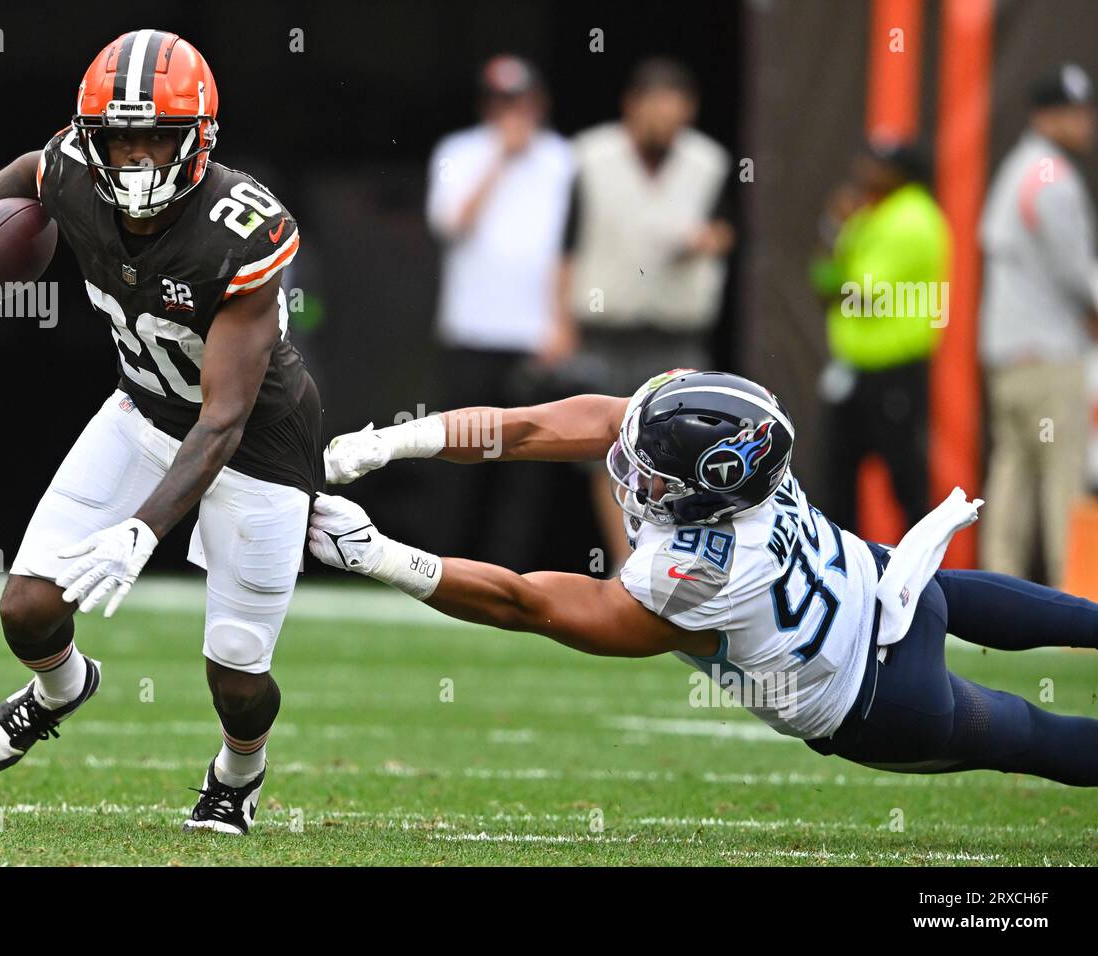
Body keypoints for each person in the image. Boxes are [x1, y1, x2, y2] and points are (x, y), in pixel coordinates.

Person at [316, 369, 1098, 786]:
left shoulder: (695, 572)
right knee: (967, 609)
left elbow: (526, 604)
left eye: (654, 475)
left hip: (879, 698)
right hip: (888, 583)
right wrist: (398, 441)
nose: (631, 475)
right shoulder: (742, 435)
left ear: (710, 490)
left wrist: (383, 556)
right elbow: (532, 429)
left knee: (1032, 736)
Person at [0, 31, 323, 834]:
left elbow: (223, 419)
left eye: (157, 138)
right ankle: (61, 688)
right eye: (119, 138)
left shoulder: (241, 230)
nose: (135, 156)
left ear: (198, 138)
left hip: (259, 444)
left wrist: (141, 531)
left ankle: (238, 772)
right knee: (27, 608)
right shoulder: (73, 167)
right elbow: (31, 171)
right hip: (143, 408)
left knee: (237, 674)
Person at [554, 58, 733, 570]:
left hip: (677, 331)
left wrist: (709, 239)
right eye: (656, 112)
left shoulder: (709, 162)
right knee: (605, 451)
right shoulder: (590, 156)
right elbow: (566, 245)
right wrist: (559, 323)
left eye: (675, 115)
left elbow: (728, 227)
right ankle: (624, 561)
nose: (665, 126)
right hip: (607, 327)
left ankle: (673, 558)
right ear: (632, 106)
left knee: (686, 447)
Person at [424, 54, 574, 568]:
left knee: (527, 464)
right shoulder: (459, 151)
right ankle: (445, 566)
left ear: (539, 103)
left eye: (520, 101)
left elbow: (568, 249)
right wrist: (500, 160)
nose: (511, 112)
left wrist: (563, 323)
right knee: (461, 451)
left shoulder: (562, 159)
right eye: (500, 101)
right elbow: (451, 224)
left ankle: (513, 571)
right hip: (472, 330)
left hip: (535, 335)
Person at [980, 63, 1098, 586]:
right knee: (1062, 479)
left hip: (1008, 355)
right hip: (1049, 354)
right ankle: (1072, 596)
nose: (1085, 122)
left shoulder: (1016, 168)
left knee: (1012, 476)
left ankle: (996, 593)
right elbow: (1077, 272)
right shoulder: (1054, 177)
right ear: (1045, 117)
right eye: (1074, 112)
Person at [810, 139, 950, 534]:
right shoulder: (869, 216)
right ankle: (838, 564)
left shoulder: (912, 218)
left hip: (894, 370)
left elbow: (861, 296)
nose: (865, 171)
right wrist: (833, 229)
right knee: (837, 479)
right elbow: (824, 284)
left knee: (906, 481)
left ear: (902, 173)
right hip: (853, 368)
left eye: (878, 165)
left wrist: (834, 280)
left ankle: (922, 565)